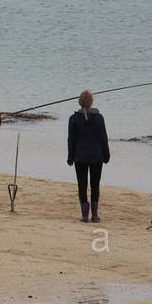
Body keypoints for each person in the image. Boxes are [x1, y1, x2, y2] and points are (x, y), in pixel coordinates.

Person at [67, 89, 111, 222]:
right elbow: (104, 138)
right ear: (91, 102)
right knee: (95, 184)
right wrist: (106, 154)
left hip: (80, 156)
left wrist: (70, 156)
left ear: (79, 102)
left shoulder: (74, 118)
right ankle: (95, 216)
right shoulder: (99, 118)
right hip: (96, 156)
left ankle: (85, 216)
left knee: (82, 185)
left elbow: (71, 140)